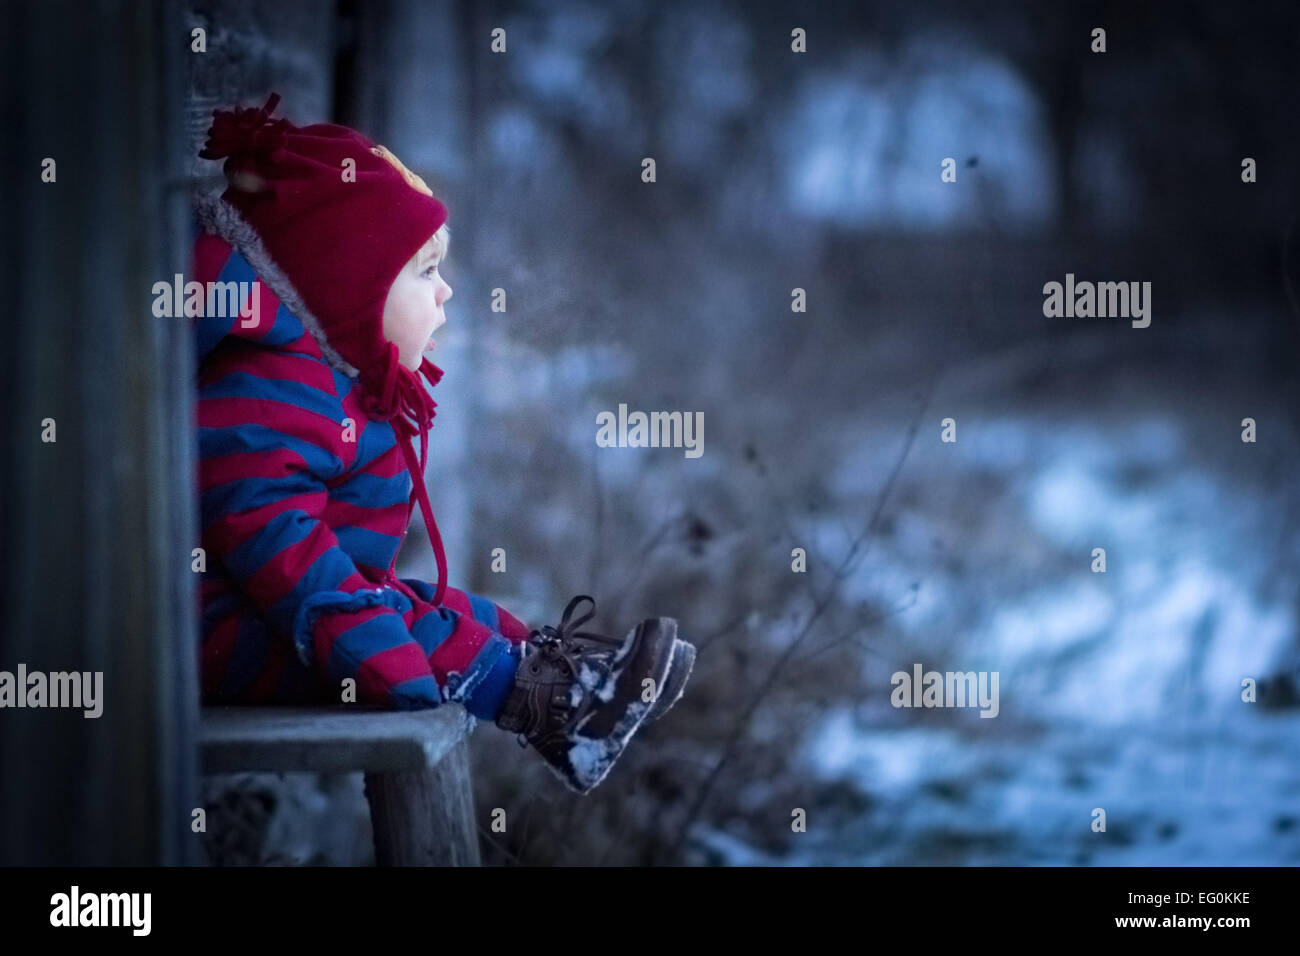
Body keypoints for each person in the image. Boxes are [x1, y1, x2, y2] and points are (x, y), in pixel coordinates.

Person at [191, 93, 694, 794]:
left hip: (257, 620)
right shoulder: (270, 394)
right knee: (410, 622)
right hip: (207, 641)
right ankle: (550, 706)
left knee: (445, 606)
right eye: (426, 273)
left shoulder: (320, 382)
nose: (447, 293)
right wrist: (398, 677)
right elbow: (295, 564)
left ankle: (575, 690)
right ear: (348, 289)